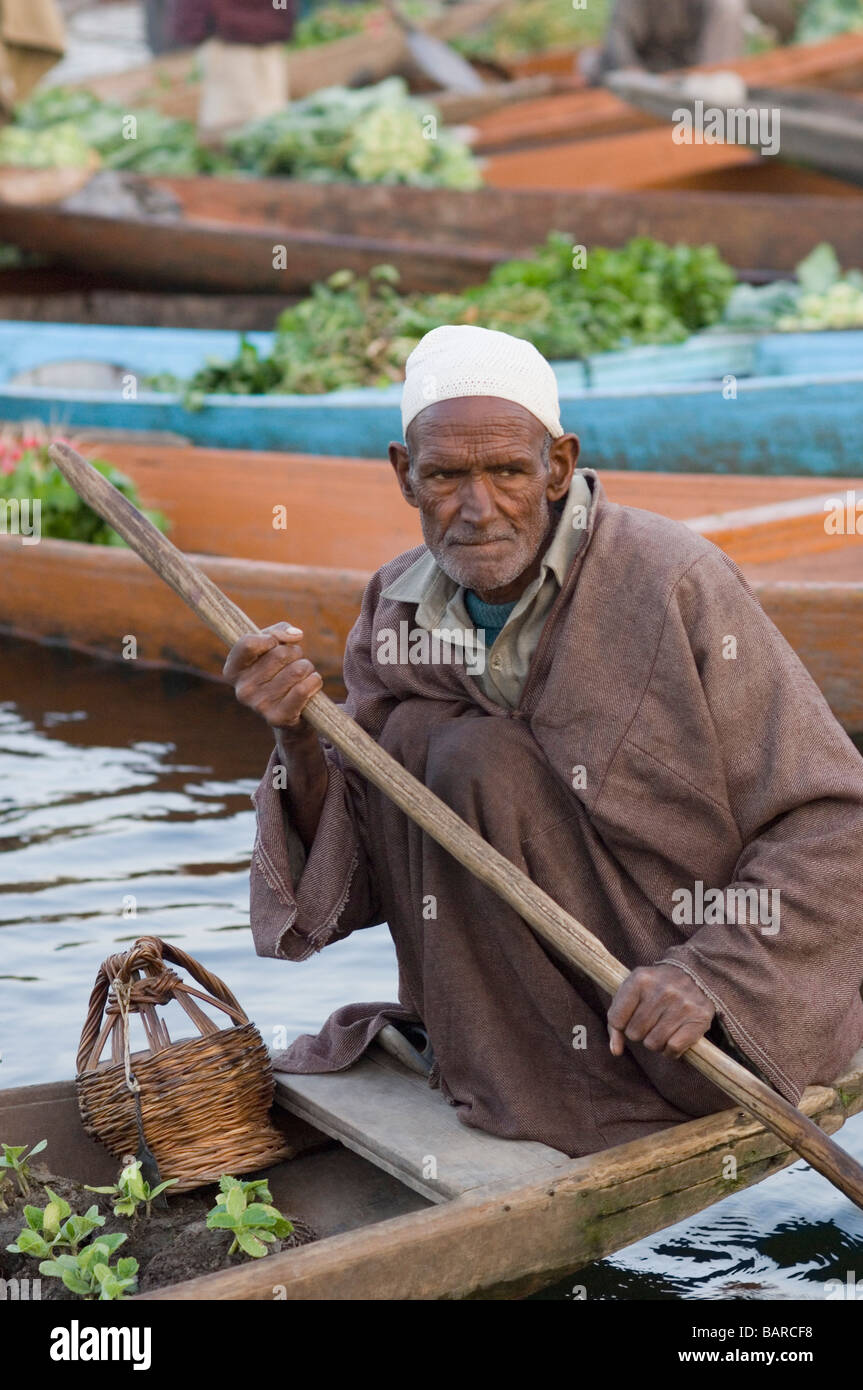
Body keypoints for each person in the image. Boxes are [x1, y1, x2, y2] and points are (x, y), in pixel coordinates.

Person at [226, 324, 863, 1159]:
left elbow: (832, 819)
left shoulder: (672, 581)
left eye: (507, 473)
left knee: (466, 753)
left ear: (557, 467)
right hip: (500, 1022)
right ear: (403, 475)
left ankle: (597, 1075)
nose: (476, 507)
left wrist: (707, 975)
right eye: (446, 476)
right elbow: (365, 851)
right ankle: (508, 1065)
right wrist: (297, 737)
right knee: (432, 741)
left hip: (682, 1009)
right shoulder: (395, 609)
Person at [171, 0, 296, 138]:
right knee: (233, 129)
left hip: (263, 44)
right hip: (229, 47)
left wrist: (279, 16)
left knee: (270, 125)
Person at [591, 0, 806, 79]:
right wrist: (631, 70)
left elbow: (778, 15)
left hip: (698, 75)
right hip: (649, 73)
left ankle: (716, 89)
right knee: (589, 63)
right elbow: (618, 35)